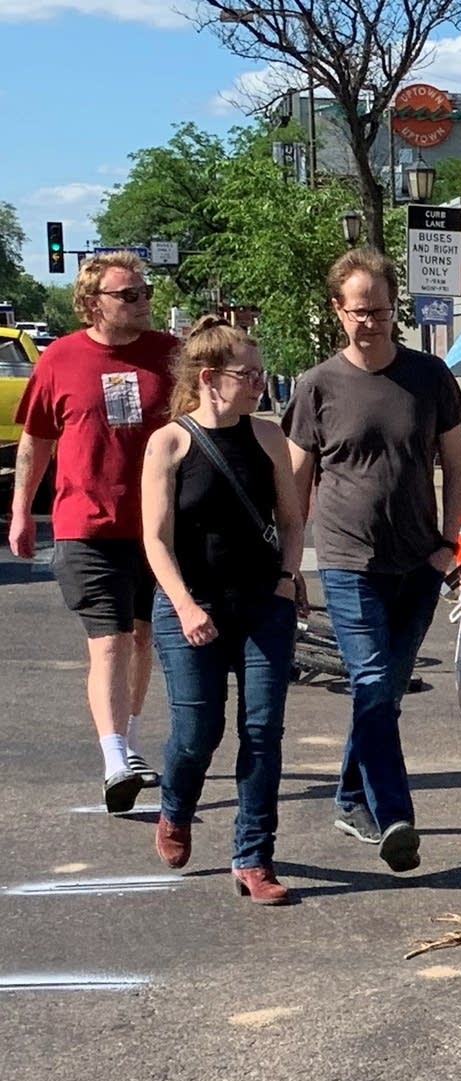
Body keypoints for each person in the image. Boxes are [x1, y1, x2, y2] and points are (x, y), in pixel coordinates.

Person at [284, 248, 461, 873]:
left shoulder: (430, 376)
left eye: (383, 310)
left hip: (420, 560)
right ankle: (394, 814)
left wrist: (449, 544)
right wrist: (291, 564)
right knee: (369, 680)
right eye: (360, 311)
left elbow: (457, 464)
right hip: (346, 558)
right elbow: (296, 483)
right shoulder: (317, 386)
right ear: (339, 311)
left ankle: (349, 796)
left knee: (384, 692)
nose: (373, 321)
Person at [139, 317, 305, 904]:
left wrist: (287, 579)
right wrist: (184, 606)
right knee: (197, 731)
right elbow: (155, 540)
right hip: (192, 607)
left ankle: (254, 857)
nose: (259, 384)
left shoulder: (266, 438)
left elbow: (290, 519)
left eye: (261, 373)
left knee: (262, 732)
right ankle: (177, 807)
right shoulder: (170, 443)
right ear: (209, 379)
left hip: (263, 605)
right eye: (248, 374)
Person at [7, 251, 176, 812]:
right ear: (92, 303)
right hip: (86, 526)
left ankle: (127, 740)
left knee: (144, 639)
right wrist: (21, 511)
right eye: (128, 294)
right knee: (110, 641)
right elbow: (36, 440)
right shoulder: (60, 359)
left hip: (160, 527)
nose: (142, 300)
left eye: (144, 291)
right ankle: (112, 761)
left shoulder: (170, 357)